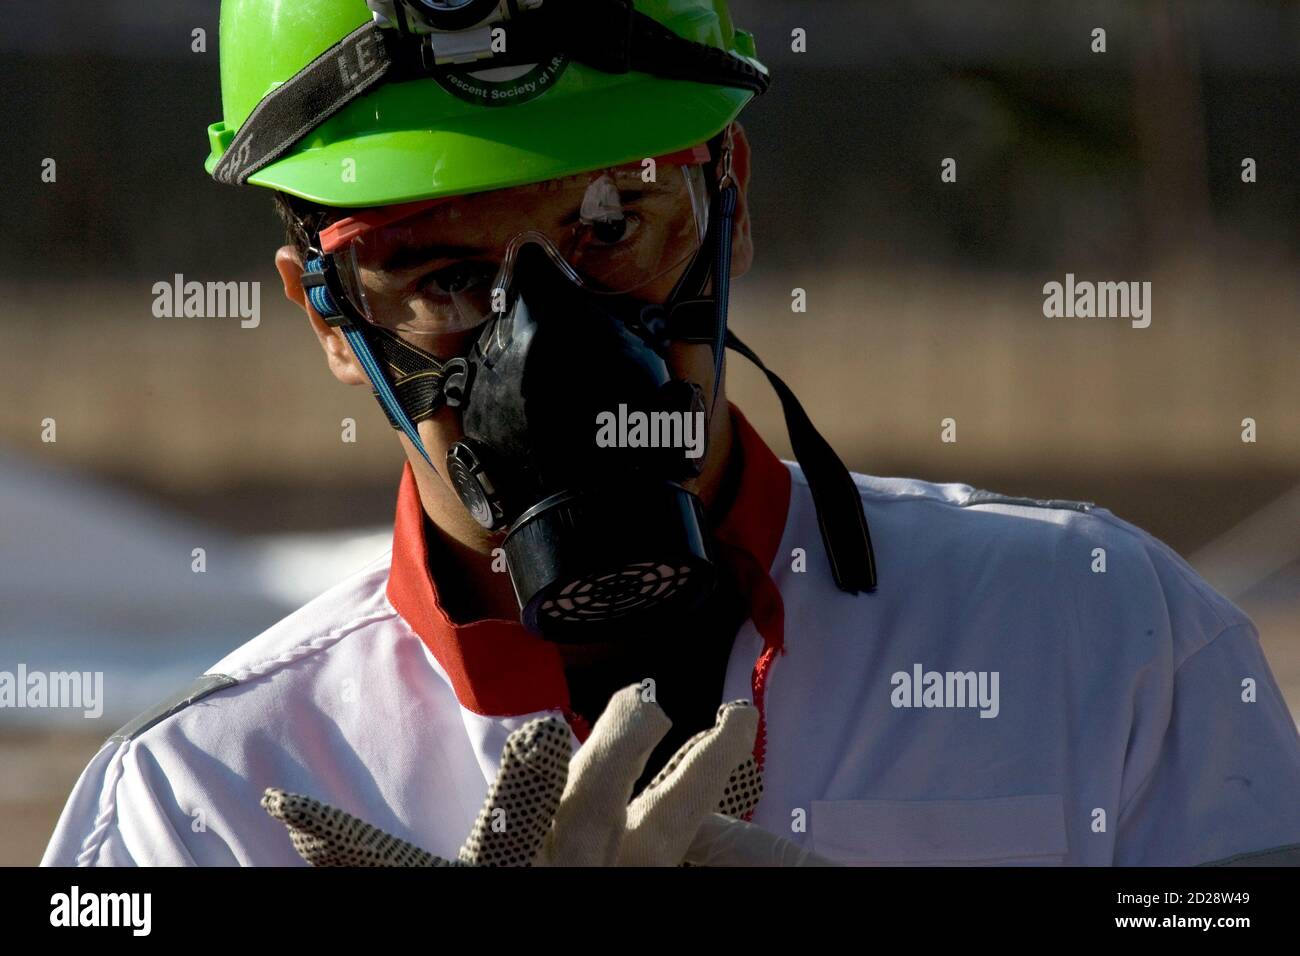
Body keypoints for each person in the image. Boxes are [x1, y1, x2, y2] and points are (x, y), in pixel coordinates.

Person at [44, 0, 1300, 867]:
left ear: (729, 203)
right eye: (436, 271)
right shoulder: (201, 803)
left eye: (614, 219)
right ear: (325, 316)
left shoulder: (1103, 640)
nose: (546, 337)